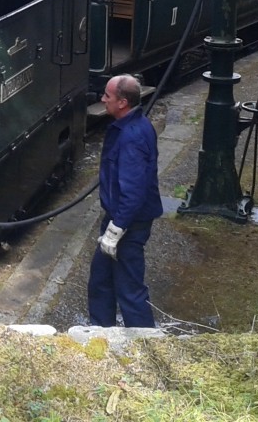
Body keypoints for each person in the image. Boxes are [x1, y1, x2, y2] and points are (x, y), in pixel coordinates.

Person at [88, 74, 164, 328]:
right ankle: (101, 331)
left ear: (122, 103)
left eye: (107, 96)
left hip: (127, 223)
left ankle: (143, 339)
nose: (102, 99)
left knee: (130, 288)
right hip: (119, 218)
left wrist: (116, 229)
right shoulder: (131, 127)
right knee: (101, 280)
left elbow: (133, 191)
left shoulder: (132, 137)